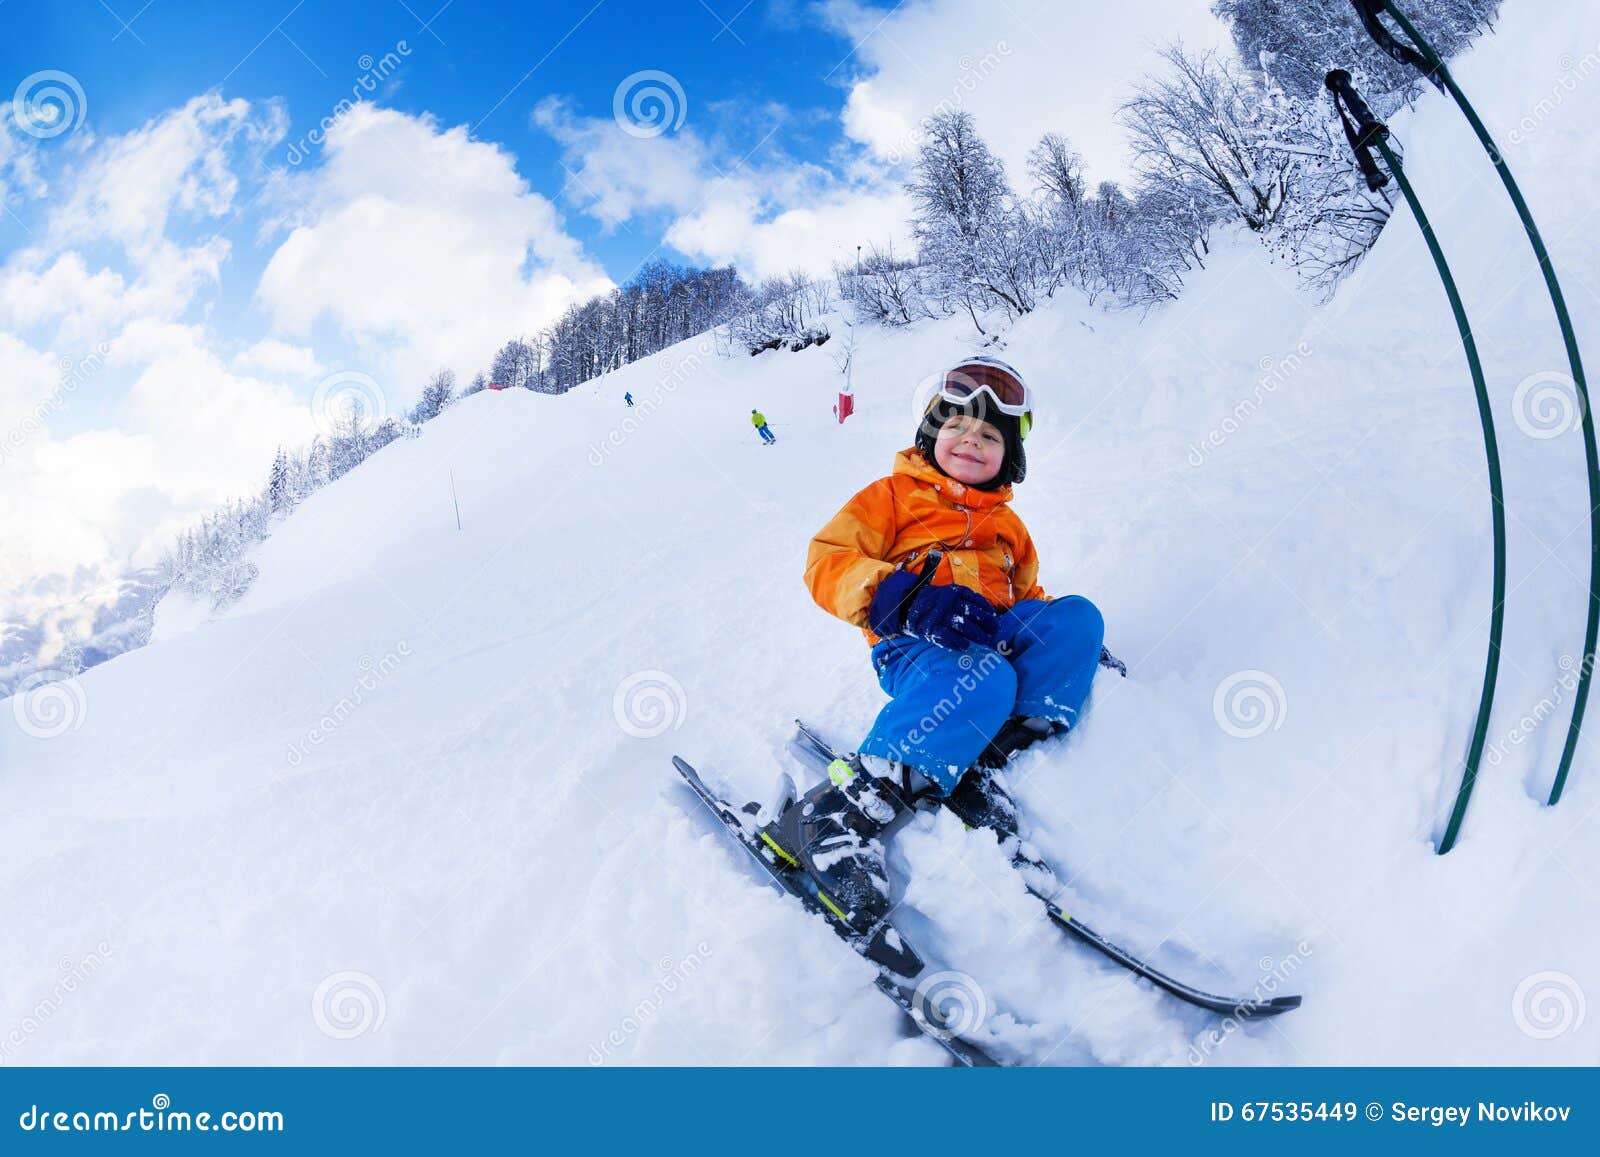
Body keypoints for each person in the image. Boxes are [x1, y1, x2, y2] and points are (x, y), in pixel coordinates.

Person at [778, 357, 1105, 927]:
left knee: (1077, 616)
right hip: (918, 651)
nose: (970, 441)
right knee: (984, 677)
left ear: (1010, 457)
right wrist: (904, 599)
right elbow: (826, 562)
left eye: (988, 435)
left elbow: (1028, 597)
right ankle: (837, 818)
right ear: (931, 433)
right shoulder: (891, 497)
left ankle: (986, 747)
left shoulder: (1010, 527)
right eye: (956, 426)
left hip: (987, 647)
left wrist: (1067, 644)